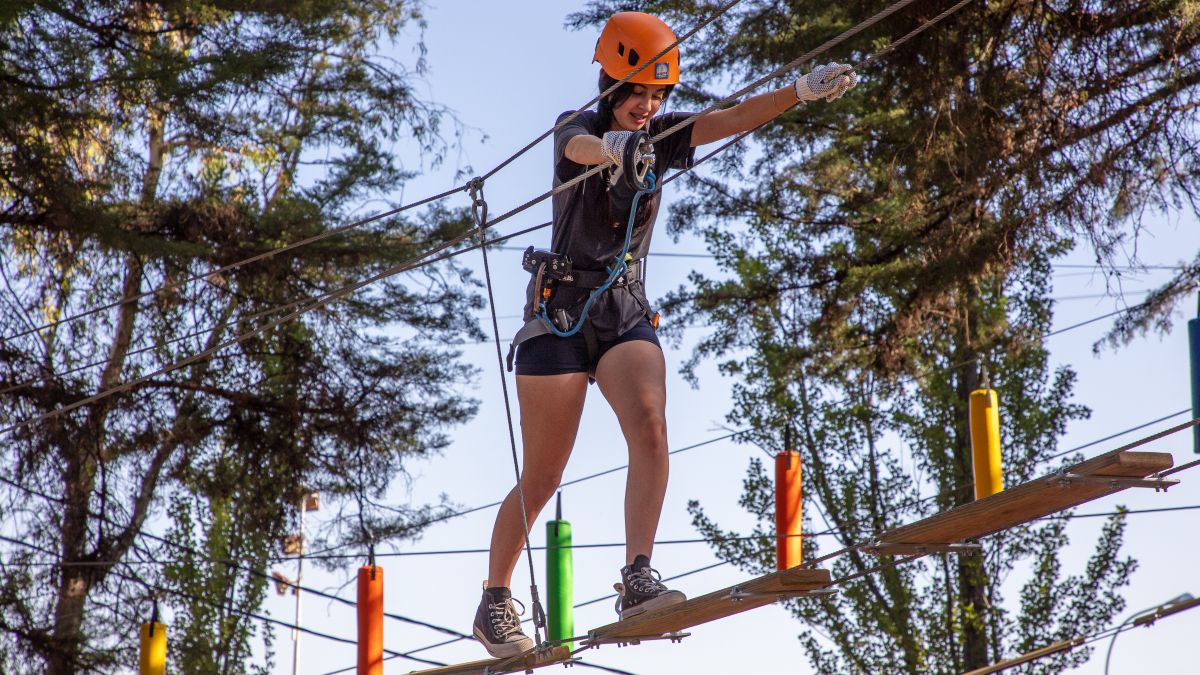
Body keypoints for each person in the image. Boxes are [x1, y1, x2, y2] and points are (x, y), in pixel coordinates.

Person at [473, 11, 857, 658]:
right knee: (543, 475)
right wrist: (612, 150)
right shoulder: (582, 127)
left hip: (623, 309)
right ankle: (494, 600)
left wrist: (799, 92)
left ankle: (638, 576)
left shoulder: (663, 136)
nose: (647, 106)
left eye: (657, 96)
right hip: (562, 310)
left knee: (650, 423)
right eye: (636, 94)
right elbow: (577, 148)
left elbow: (729, 118)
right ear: (610, 88)